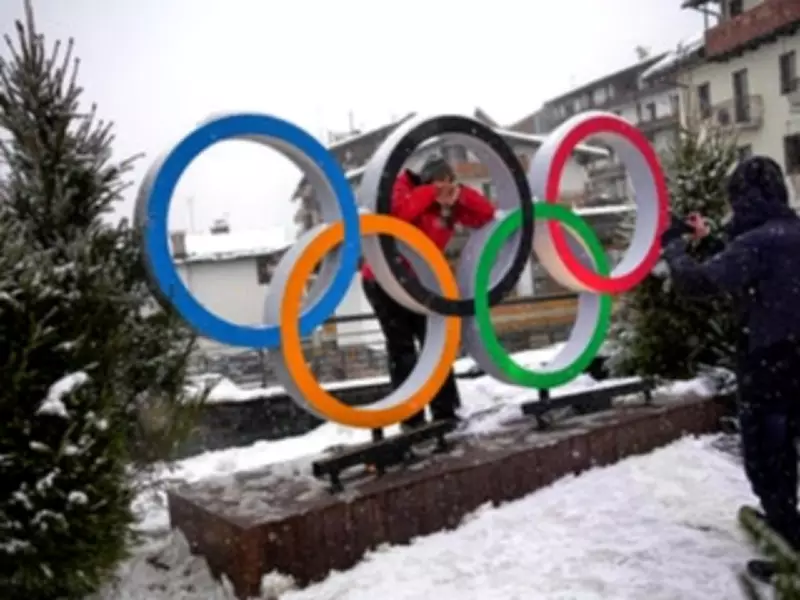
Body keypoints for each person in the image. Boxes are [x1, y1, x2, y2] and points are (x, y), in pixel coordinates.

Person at [660, 156, 800, 582]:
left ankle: (789, 551)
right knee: (787, 449)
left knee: (768, 459)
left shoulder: (757, 244)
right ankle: (787, 525)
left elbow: (699, 283)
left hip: (770, 366)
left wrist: (676, 249)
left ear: (742, 198)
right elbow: (753, 261)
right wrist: (711, 236)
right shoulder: (787, 232)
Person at [361, 156, 496, 431]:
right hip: (385, 280)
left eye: (450, 182)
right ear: (426, 180)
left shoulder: (447, 206)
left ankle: (445, 412)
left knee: (435, 345)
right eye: (439, 182)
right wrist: (431, 193)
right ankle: (411, 419)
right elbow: (398, 213)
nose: (444, 188)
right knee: (402, 349)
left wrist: (459, 196)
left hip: (423, 283)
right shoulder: (402, 186)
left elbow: (486, 214)